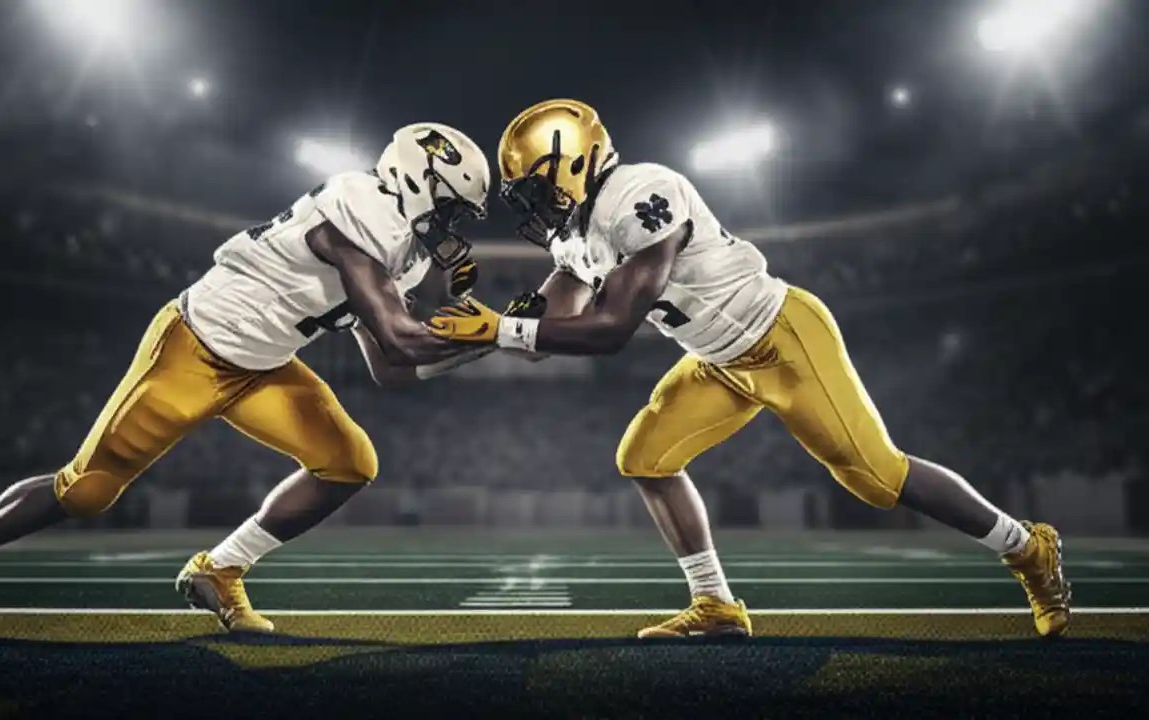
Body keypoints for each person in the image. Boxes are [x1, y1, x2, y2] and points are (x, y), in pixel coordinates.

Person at [428, 99, 1071, 638]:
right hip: (717, 359)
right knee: (645, 457)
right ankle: (715, 605)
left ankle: (1025, 546)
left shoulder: (641, 192)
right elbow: (545, 336)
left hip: (782, 337)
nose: (536, 207)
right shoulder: (576, 236)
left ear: (574, 160)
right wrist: (480, 331)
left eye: (538, 187)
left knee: (877, 477)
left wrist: (502, 327)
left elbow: (612, 329)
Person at [0, 123, 493, 633]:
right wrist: (500, 333)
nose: (449, 228)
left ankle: (220, 570)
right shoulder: (362, 203)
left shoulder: (404, 254)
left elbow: (391, 368)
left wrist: (479, 341)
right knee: (87, 491)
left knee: (350, 463)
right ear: (418, 179)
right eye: (450, 208)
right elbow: (398, 337)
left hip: (263, 367)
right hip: (194, 346)